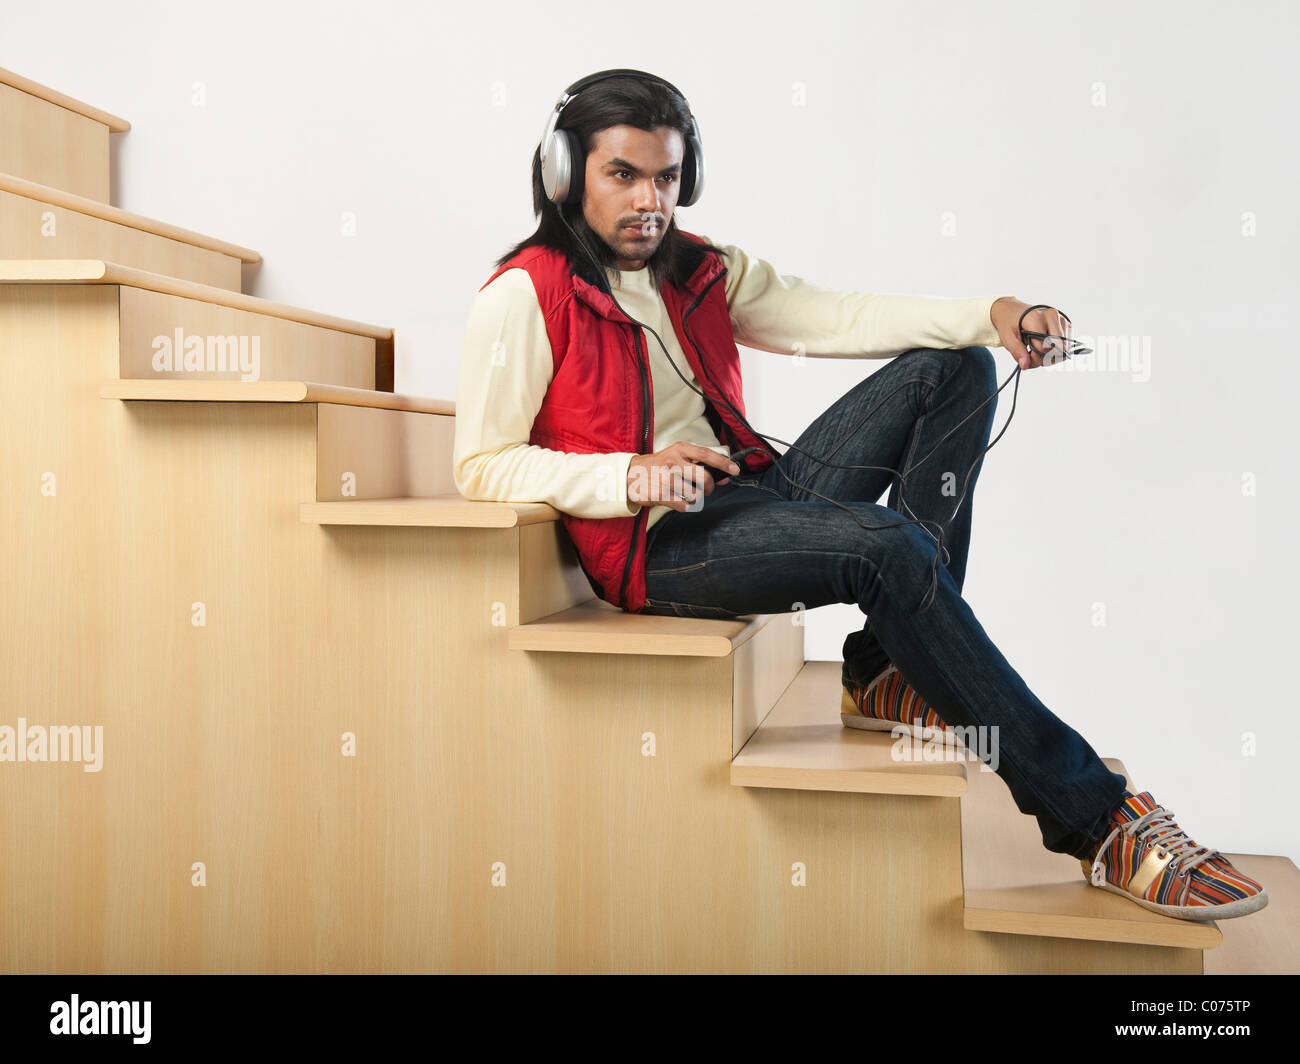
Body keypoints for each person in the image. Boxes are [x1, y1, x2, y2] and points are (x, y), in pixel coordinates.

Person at [453, 70, 1267, 923]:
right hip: (658, 545)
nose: (649, 201)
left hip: (748, 492)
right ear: (564, 172)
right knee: (887, 545)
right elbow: (482, 464)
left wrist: (990, 313)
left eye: (666, 177)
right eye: (623, 175)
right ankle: (1097, 822)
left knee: (956, 368)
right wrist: (627, 475)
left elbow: (832, 316)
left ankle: (883, 671)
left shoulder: (700, 268)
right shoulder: (523, 295)